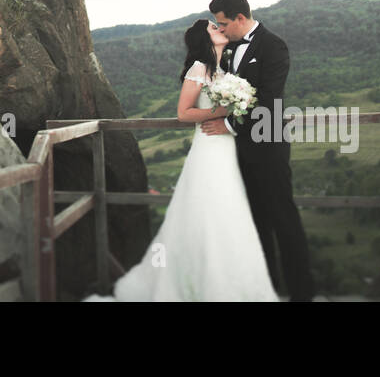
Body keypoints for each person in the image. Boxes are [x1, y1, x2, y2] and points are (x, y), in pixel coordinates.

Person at [84, 19, 279, 301]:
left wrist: (231, 111)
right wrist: (220, 112)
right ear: (205, 38)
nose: (220, 29)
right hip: (208, 148)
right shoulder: (199, 68)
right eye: (214, 28)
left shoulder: (223, 69)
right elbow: (184, 113)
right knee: (206, 210)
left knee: (229, 210)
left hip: (226, 149)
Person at [202, 0, 315, 301]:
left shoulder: (273, 45)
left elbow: (269, 100)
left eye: (223, 23)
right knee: (254, 221)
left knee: (283, 218)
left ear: (241, 17)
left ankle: (302, 293)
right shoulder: (225, 50)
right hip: (236, 152)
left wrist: (226, 124)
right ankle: (267, 290)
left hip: (268, 146)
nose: (220, 29)